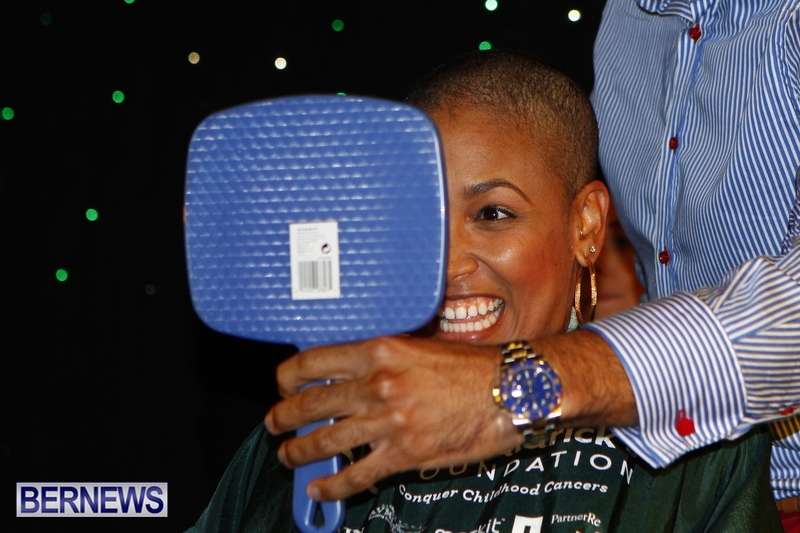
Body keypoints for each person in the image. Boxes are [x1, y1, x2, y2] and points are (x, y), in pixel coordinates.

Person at [189, 50, 780, 532]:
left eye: (493, 214)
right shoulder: (318, 431)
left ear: (586, 226)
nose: (446, 265)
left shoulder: (692, 436)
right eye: (419, 219)